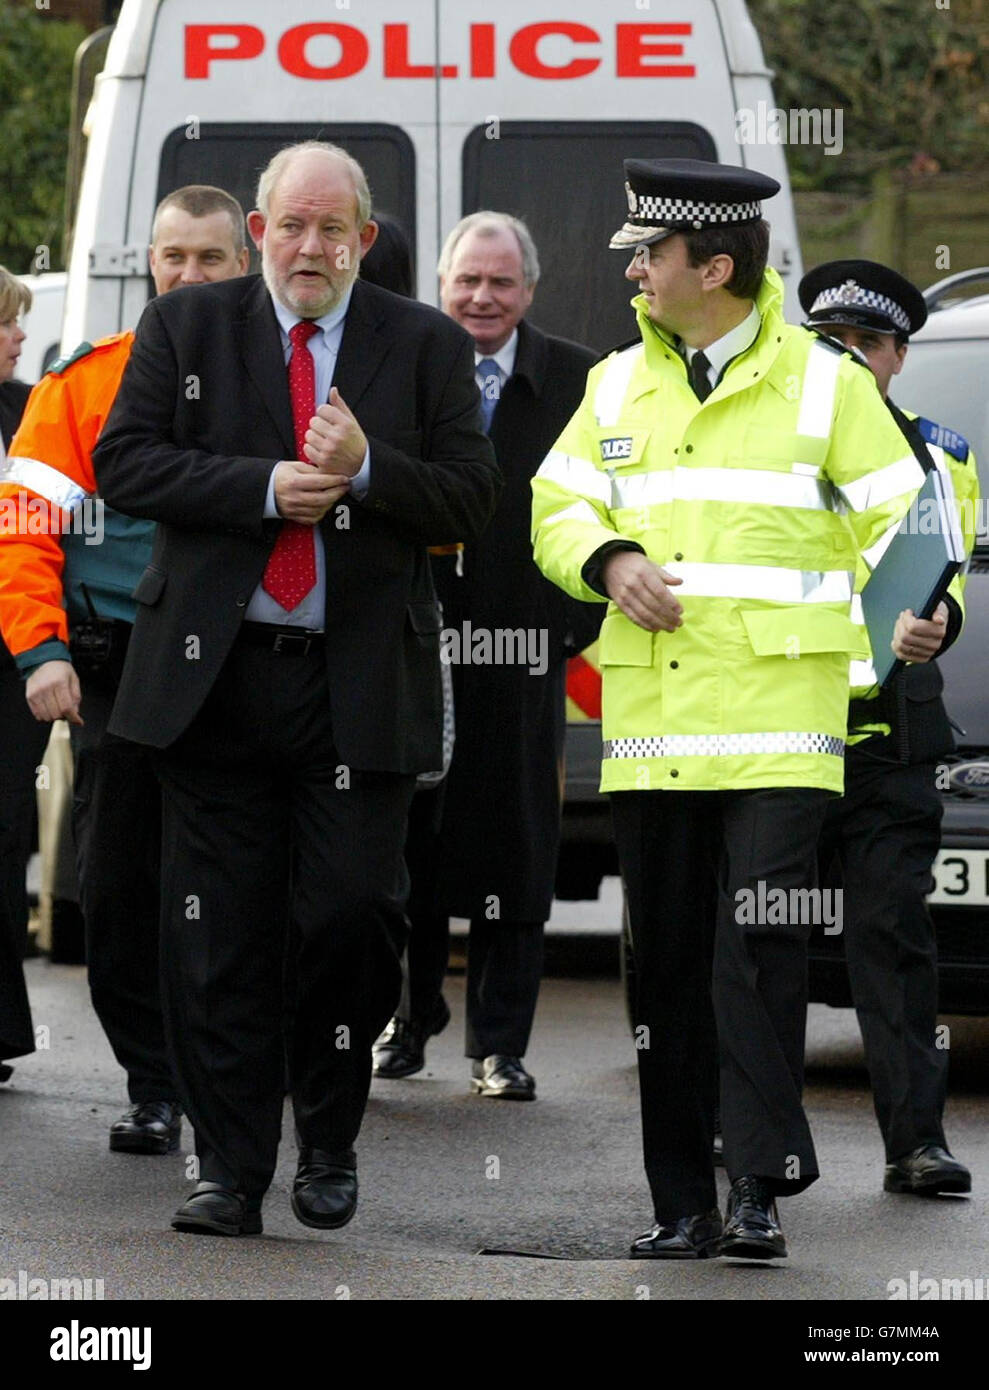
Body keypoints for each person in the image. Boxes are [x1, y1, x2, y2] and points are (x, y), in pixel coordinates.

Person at [92, 141, 499, 1236]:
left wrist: (368, 467)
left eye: (333, 229)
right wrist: (264, 487)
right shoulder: (189, 328)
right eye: (291, 224)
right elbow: (122, 463)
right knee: (216, 934)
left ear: (364, 240)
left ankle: (326, 1139)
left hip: (356, 689)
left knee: (348, 919)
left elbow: (471, 498)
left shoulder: (418, 342)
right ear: (260, 229)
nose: (309, 246)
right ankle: (227, 1165)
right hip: (212, 683)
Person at [531, 158, 933, 1262]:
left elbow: (907, 524)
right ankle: (679, 1201)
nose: (630, 268)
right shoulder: (614, 382)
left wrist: (883, 644)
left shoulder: (823, 382)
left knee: (754, 961)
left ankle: (752, 1184)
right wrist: (607, 558)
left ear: (711, 266)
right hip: (654, 733)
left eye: (647, 254)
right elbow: (552, 505)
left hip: (777, 732)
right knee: (663, 969)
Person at [0, 188, 249, 1150]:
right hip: (120, 673)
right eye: (172, 257)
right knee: (117, 885)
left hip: (244, 668)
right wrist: (43, 650)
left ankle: (232, 1073)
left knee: (240, 883)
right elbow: (24, 530)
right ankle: (153, 1082)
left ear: (245, 261)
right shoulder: (86, 384)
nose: (187, 275)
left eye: (209, 259)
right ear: (149, 262)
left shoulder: (285, 382)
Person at [373, 212, 598, 1097]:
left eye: (500, 283)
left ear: (529, 292)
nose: (481, 297)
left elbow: (606, 510)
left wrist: (562, 634)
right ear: (440, 284)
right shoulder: (406, 363)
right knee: (407, 844)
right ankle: (408, 1017)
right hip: (412, 652)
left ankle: (499, 1046)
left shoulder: (579, 380)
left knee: (515, 850)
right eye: (467, 280)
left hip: (524, 660)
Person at [802, 260, 977, 1196]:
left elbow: (943, 579)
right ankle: (745, 1138)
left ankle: (915, 1142)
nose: (851, 359)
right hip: (779, 733)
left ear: (897, 359)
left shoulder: (940, 453)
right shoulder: (770, 448)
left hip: (889, 740)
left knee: (893, 942)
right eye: (832, 343)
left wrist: (938, 620)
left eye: (868, 345)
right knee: (754, 939)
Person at [0, 265, 48, 1085]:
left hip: (13, 660)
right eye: (9, 323)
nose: (19, 338)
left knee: (9, 835)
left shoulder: (26, 409)